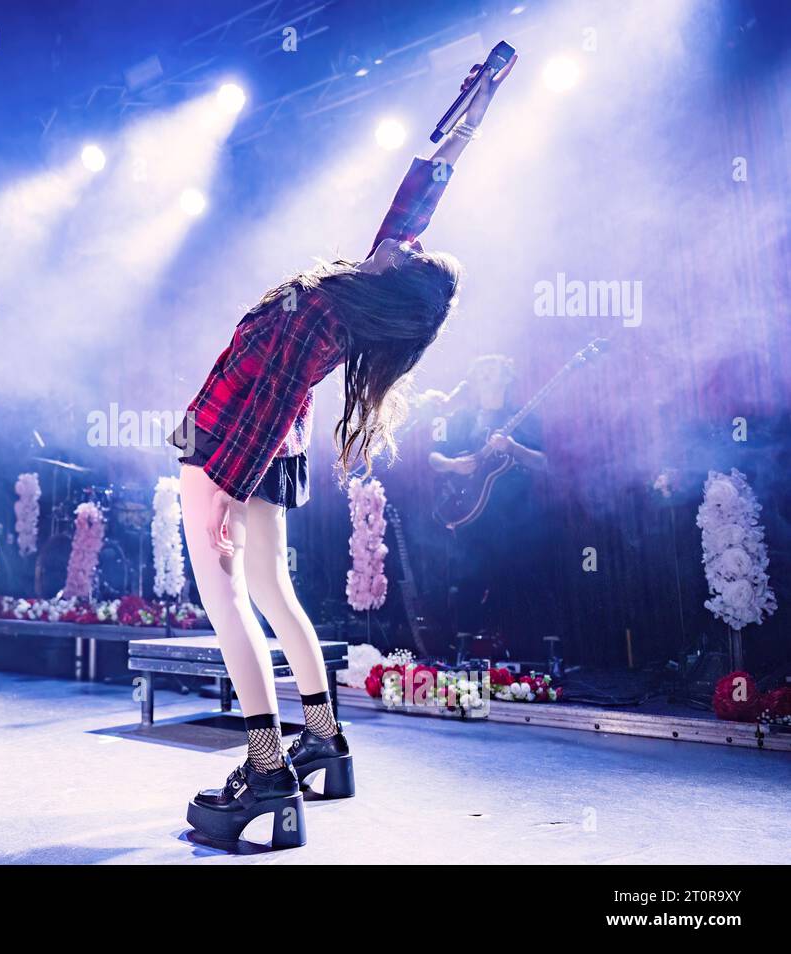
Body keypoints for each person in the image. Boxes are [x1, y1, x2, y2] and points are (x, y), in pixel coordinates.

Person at [169, 56, 518, 847]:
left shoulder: (328, 315)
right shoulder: (365, 288)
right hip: (263, 444)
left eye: (407, 254)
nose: (399, 244)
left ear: (397, 281)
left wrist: (223, 493)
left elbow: (269, 403)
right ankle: (323, 741)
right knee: (272, 592)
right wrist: (478, 102)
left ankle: (265, 772)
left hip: (230, 438)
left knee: (229, 603)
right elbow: (426, 179)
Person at [427, 353, 548, 641]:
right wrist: (454, 464)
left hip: (516, 515)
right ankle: (465, 652)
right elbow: (433, 457)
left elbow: (542, 462)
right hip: (471, 514)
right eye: (481, 372)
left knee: (517, 579)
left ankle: (523, 654)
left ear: (508, 378)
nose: (486, 375)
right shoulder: (459, 419)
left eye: (493, 370)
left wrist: (514, 448)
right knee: (469, 579)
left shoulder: (524, 417)